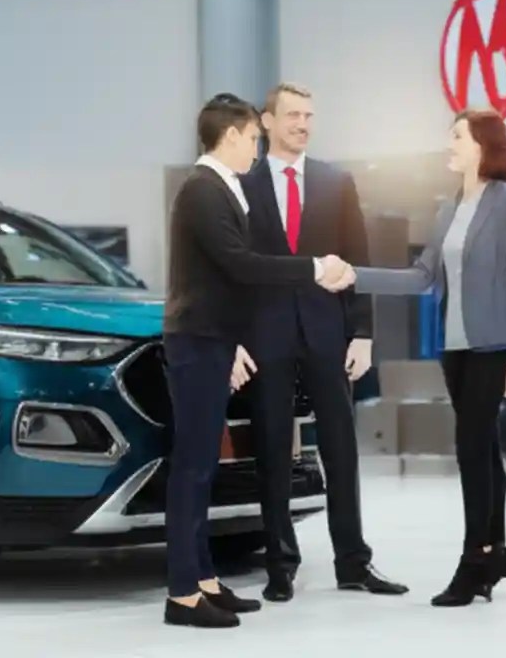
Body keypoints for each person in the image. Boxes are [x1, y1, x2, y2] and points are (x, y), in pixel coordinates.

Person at [162, 92, 355, 628]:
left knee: (203, 466)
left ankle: (202, 580)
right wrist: (312, 268)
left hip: (211, 340)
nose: (256, 149)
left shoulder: (219, 189)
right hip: (197, 341)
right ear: (231, 136)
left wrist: (234, 342)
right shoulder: (204, 190)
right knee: (193, 468)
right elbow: (239, 265)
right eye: (252, 138)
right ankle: (182, 593)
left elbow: (226, 276)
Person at [352, 108, 506, 607]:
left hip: (494, 347)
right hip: (454, 351)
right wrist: (354, 276)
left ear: (482, 143)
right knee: (485, 449)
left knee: (471, 449)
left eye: (456, 136)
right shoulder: (448, 207)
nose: (449, 144)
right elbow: (422, 277)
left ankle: (473, 561)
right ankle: (496, 551)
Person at [239, 82, 407, 602]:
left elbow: (356, 260)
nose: (303, 124)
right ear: (267, 122)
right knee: (272, 448)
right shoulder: (241, 181)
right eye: (292, 114)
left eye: (309, 115)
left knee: (341, 449)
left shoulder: (337, 182)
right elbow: (233, 268)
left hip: (328, 333)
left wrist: (363, 333)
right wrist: (233, 338)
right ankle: (279, 566)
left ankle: (354, 562)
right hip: (264, 334)